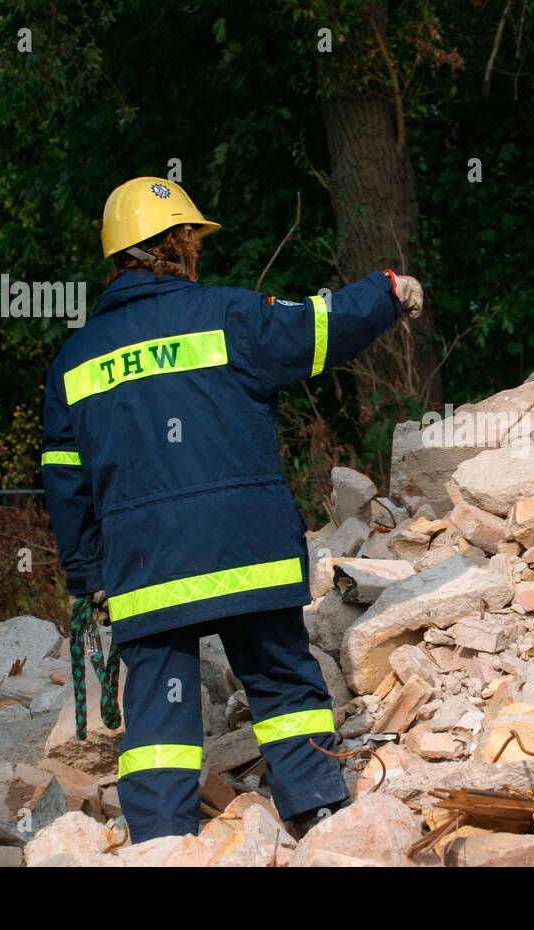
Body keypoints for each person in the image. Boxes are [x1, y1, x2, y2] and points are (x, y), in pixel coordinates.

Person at [40, 176, 422, 842]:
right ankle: (318, 813)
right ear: (175, 244)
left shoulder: (74, 360)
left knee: (158, 715)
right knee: (279, 677)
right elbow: (320, 327)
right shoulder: (231, 315)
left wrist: (86, 575)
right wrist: (388, 292)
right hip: (246, 552)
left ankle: (160, 845)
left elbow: (65, 481)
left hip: (145, 567)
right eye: (191, 237)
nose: (197, 249)